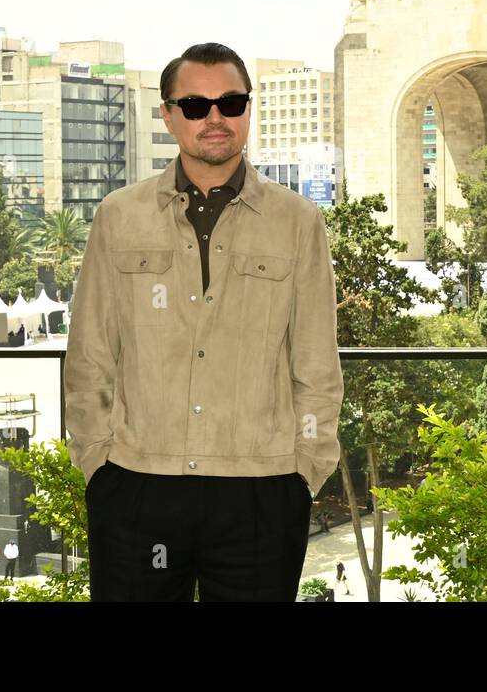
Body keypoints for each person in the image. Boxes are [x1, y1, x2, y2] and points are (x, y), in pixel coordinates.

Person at [66, 43, 344, 602]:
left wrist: (305, 472)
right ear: (168, 115)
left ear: (247, 109)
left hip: (261, 492)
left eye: (231, 102)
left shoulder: (297, 221)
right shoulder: (119, 217)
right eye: (195, 105)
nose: (214, 118)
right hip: (137, 485)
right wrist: (98, 465)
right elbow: (90, 352)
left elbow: (315, 361)